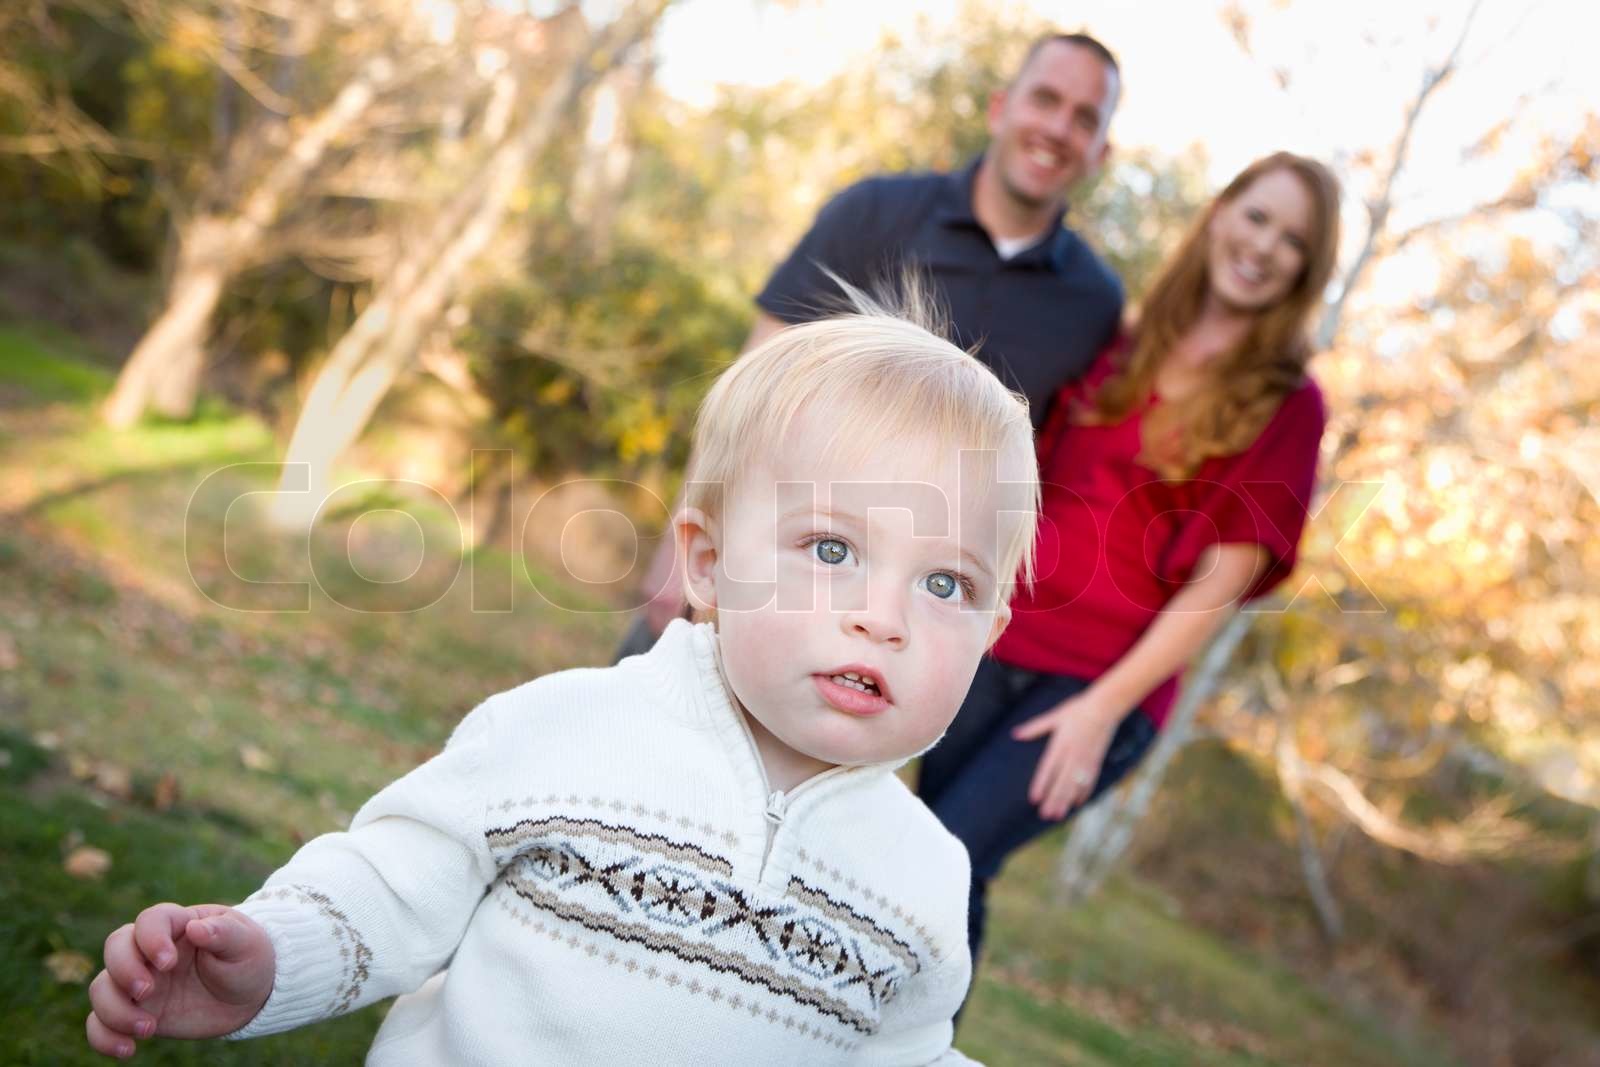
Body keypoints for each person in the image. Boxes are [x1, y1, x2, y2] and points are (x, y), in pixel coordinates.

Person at [85, 290, 1041, 1064]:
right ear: (706, 565)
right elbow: (397, 881)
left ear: (992, 629)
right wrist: (269, 960)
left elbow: (903, 1051)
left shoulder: (924, 876)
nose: (884, 616)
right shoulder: (571, 732)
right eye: (831, 546)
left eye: (946, 581)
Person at [916, 151, 1342, 986]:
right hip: (991, 641)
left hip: (1093, 685)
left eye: (1292, 239)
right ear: (1220, 212)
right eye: (1257, 216)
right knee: (920, 856)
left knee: (947, 860)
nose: (1263, 246)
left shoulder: (1291, 403)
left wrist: (1102, 710)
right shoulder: (1124, 343)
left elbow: (1218, 585)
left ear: (1306, 268)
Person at [615, 30, 1125, 661]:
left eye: (1084, 118)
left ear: (1102, 151)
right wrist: (685, 537)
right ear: (1000, 108)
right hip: (769, 566)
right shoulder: (875, 212)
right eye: (1044, 99)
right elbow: (748, 388)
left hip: (898, 633)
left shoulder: (1095, 303)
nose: (1057, 127)